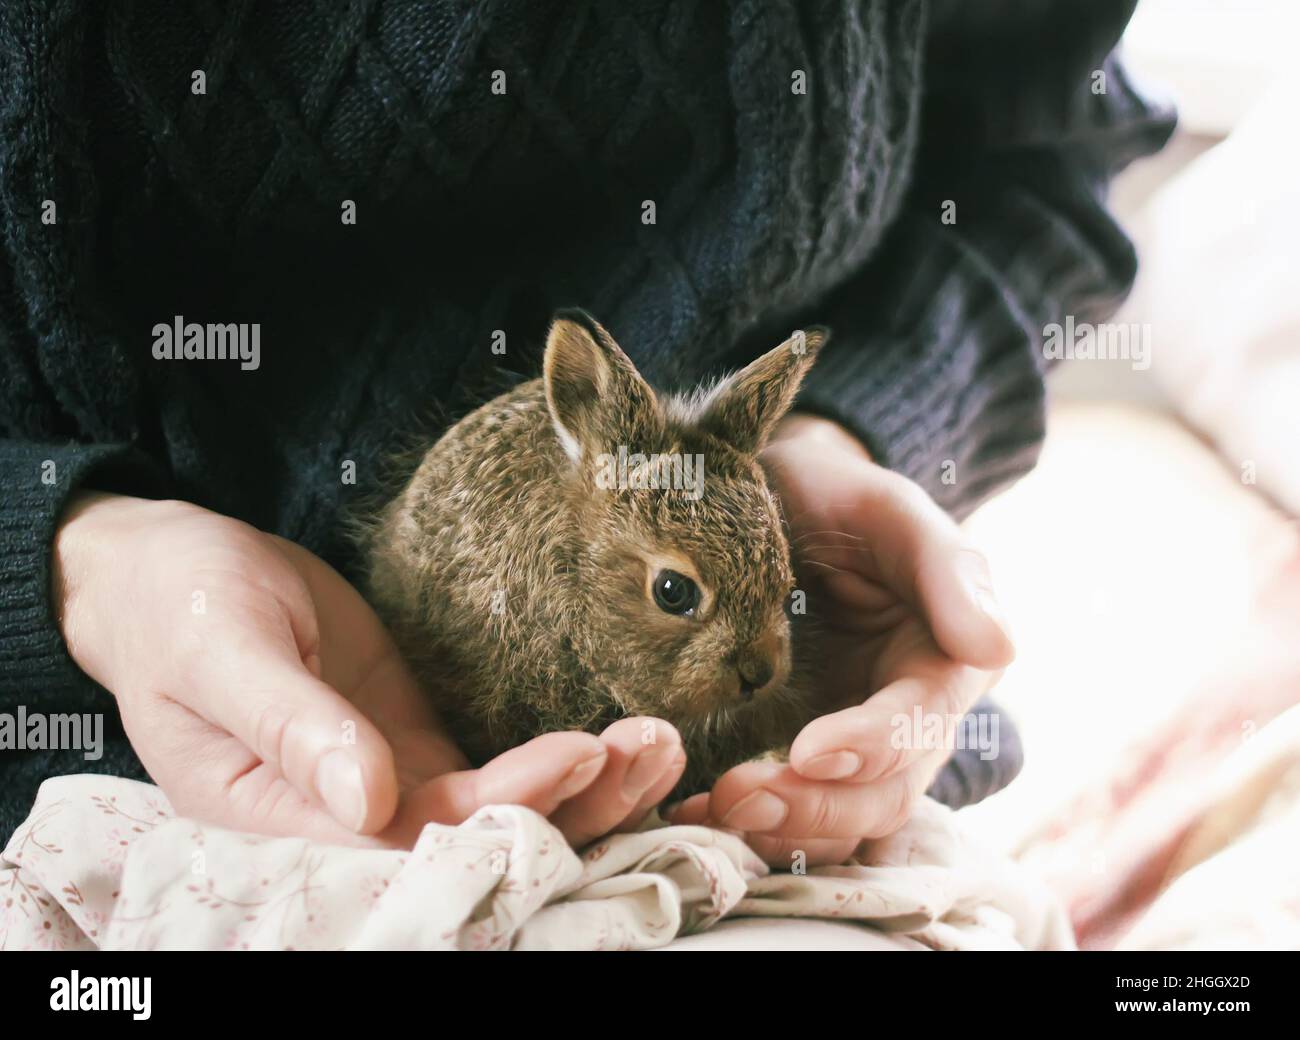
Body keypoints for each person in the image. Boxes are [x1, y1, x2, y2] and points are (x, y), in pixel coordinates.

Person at [0, 0, 1174, 861]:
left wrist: (850, 431)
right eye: (678, 594)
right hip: (96, 777)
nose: (759, 644)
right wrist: (66, 563)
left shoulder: (750, 613)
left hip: (774, 801)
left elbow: (1036, 162)